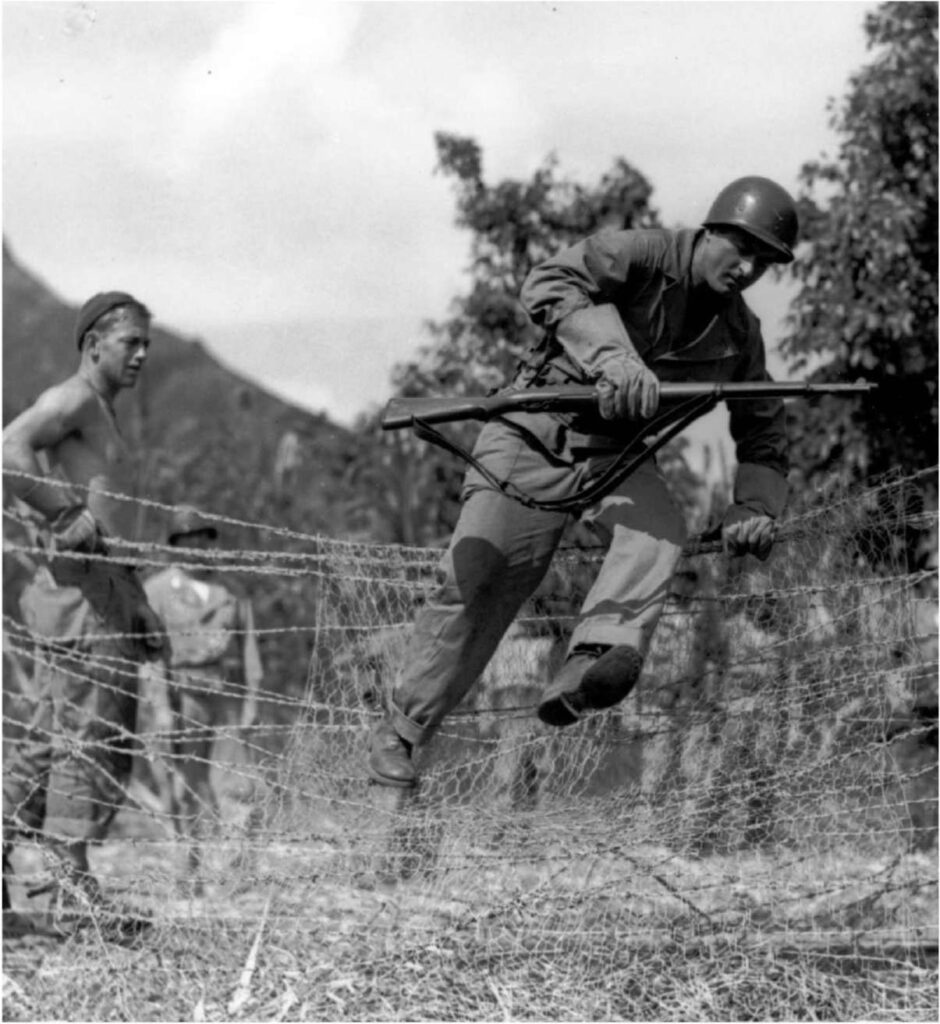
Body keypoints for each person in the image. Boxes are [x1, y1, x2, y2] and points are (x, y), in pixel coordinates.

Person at [367, 176, 796, 789]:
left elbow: (763, 426)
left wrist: (754, 505)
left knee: (658, 533)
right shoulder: (639, 252)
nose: (749, 268)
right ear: (710, 231)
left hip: (617, 458)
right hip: (532, 432)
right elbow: (549, 280)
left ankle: (590, 666)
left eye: (765, 263)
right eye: (742, 249)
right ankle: (402, 731)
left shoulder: (739, 336)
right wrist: (613, 357)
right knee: (484, 576)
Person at [2, 291, 167, 939]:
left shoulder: (103, 413)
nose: (143, 355)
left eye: (147, 344)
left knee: (52, 741)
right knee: (84, 744)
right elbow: (9, 448)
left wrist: (139, 602)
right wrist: (61, 513)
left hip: (103, 597)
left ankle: (48, 885)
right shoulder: (73, 399)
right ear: (94, 344)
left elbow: (111, 525)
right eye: (132, 343)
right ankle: (67, 897)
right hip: (77, 602)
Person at [141, 505, 263, 889]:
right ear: (174, 546)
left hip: (222, 693)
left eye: (202, 539)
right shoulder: (157, 590)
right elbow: (150, 654)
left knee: (237, 786)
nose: (196, 548)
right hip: (178, 694)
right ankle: (187, 868)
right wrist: (160, 707)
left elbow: (248, 651)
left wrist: (252, 702)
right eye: (186, 540)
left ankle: (234, 871)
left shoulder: (230, 592)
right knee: (184, 788)